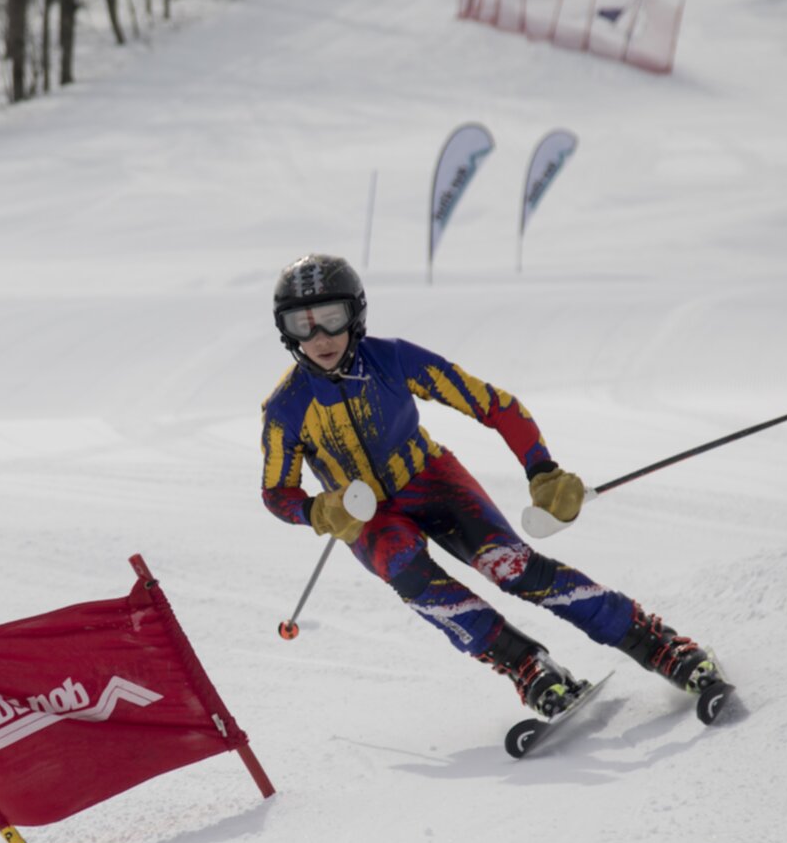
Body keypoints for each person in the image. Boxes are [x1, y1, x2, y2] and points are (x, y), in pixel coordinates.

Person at [259, 255, 724, 720]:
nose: (319, 337)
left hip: (428, 478)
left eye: (332, 318)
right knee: (409, 573)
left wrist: (542, 471)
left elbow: (495, 406)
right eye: (301, 324)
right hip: (365, 515)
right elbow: (277, 491)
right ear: (286, 332)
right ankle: (527, 667)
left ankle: (654, 641)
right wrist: (320, 511)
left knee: (511, 566)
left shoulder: (393, 359)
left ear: (356, 314)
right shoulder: (287, 407)